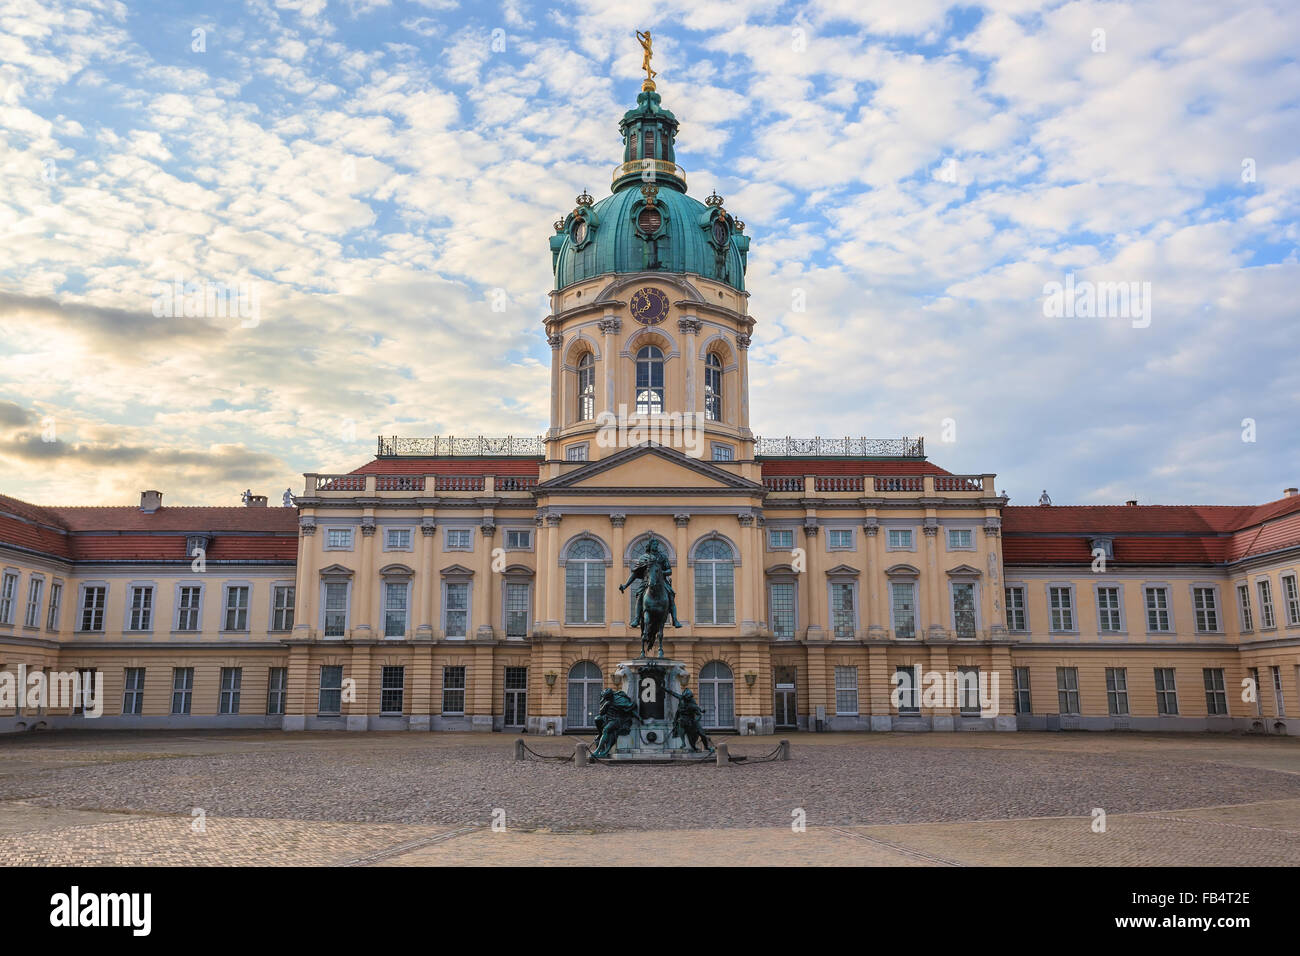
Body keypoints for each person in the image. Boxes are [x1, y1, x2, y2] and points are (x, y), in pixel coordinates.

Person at [619, 538, 682, 628]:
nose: (656, 546)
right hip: (646, 581)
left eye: (657, 545)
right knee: (640, 595)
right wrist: (625, 585)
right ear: (650, 546)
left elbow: (669, 571)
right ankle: (637, 619)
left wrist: (661, 573)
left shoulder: (662, 557)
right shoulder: (643, 558)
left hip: (661, 581)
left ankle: (675, 620)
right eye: (654, 544)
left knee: (671, 595)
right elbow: (635, 573)